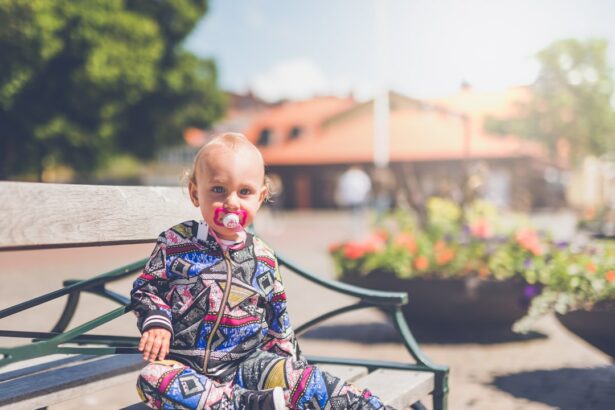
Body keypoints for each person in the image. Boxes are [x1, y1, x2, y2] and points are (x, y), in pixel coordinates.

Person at [131, 133, 392, 409]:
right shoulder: (175, 242)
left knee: (306, 378)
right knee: (151, 378)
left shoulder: (263, 256)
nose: (232, 202)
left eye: (244, 192)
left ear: (260, 197)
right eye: (218, 190)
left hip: (248, 365)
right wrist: (157, 320)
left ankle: (369, 407)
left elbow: (278, 318)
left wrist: (290, 366)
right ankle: (245, 405)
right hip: (188, 368)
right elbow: (146, 287)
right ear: (196, 193)